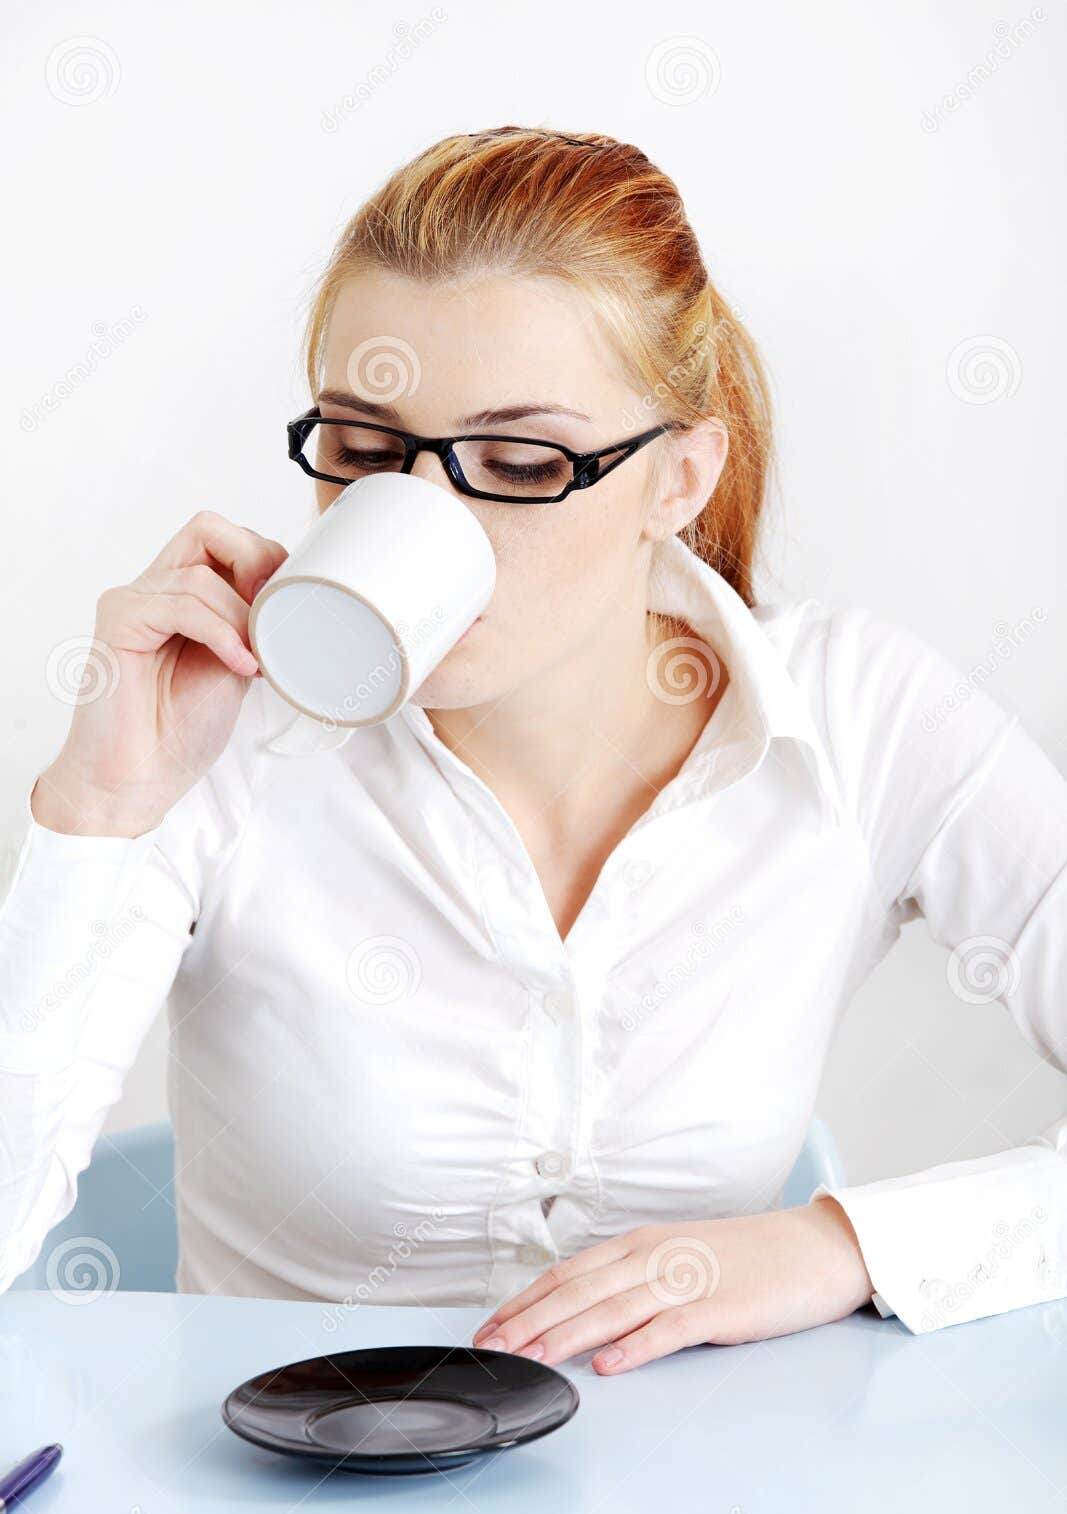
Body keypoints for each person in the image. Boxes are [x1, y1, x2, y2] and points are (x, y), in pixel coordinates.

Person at [1, 126, 1064, 1376]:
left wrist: (844, 1247)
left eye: (515, 460)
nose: (421, 514)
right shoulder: (218, 734)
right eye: (361, 448)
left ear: (676, 478)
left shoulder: (857, 717)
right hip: (278, 1513)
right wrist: (100, 809)